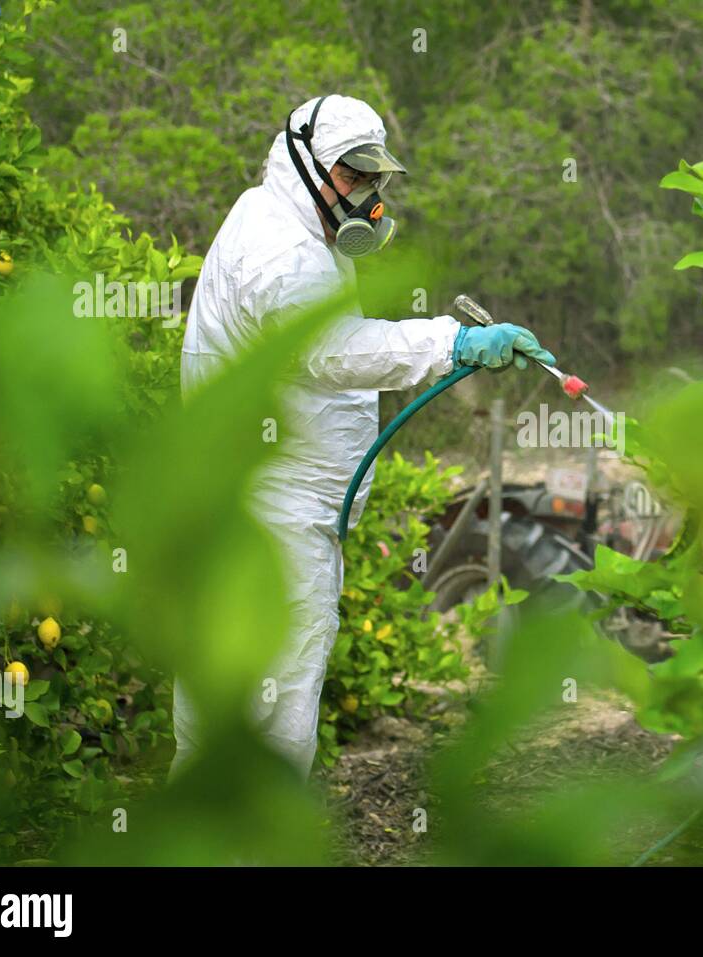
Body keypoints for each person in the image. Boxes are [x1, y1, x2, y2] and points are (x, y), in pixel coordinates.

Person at [172, 94, 554, 778]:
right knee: (273, 719)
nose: (365, 196)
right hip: (269, 516)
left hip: (258, 506)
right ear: (300, 163)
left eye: (374, 180)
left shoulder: (290, 226)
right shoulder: (279, 249)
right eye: (352, 177)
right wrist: (454, 341)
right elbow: (330, 352)